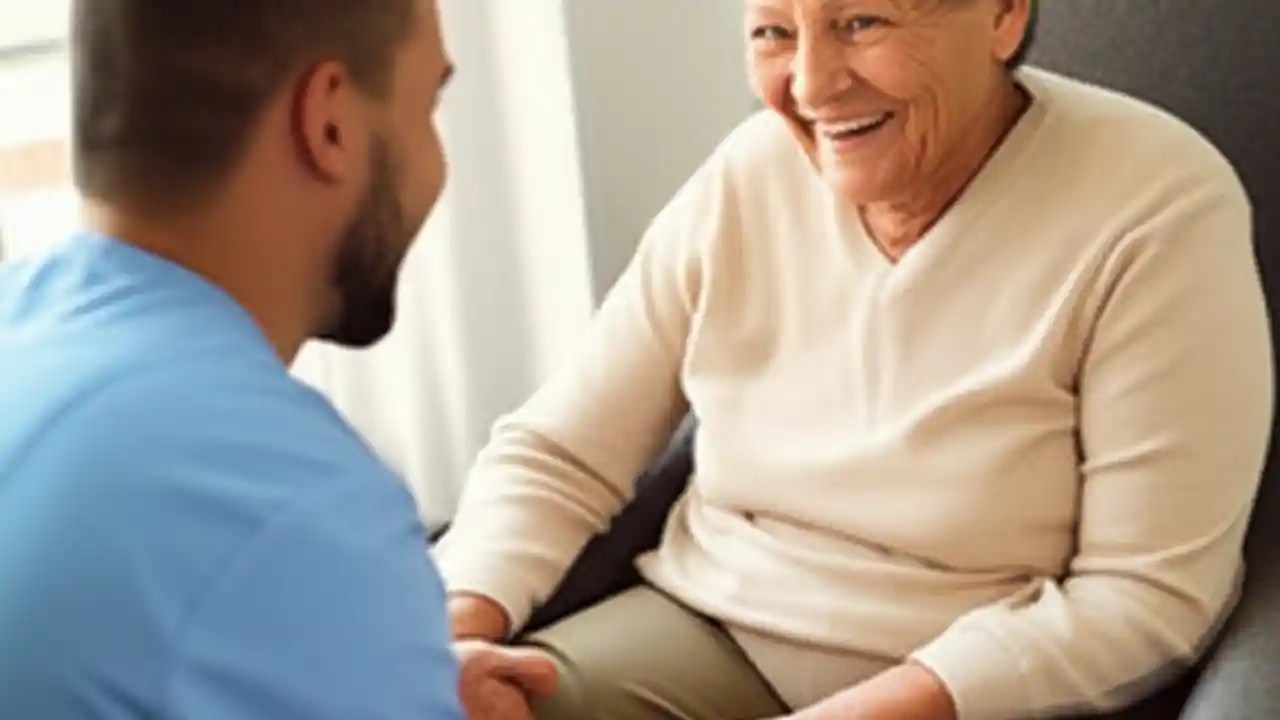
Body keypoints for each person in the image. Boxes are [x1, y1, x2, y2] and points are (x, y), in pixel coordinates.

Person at [436, 0, 1274, 718]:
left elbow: (1148, 598)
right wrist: (444, 639)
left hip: (978, 686)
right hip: (707, 629)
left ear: (1005, 12)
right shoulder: (749, 174)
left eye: (860, 22)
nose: (809, 86)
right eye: (772, 32)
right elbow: (560, 451)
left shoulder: (1157, 204)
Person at [0, 1, 555, 717]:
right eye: (428, 105)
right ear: (329, 123)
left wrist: (364, 672)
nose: (435, 159)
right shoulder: (288, 502)